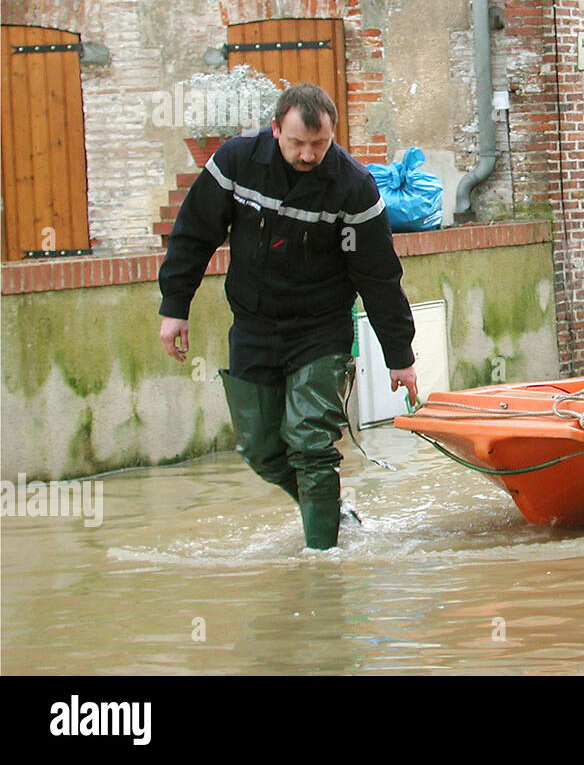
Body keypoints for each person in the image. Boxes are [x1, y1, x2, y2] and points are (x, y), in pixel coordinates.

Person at [158, 83, 419, 549]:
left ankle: (324, 561)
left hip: (320, 329)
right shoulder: (237, 162)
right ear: (275, 128)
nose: (307, 154)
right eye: (297, 142)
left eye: (319, 144)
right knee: (258, 448)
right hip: (254, 323)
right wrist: (175, 306)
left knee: (312, 445)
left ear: (332, 136)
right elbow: (194, 233)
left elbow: (378, 277)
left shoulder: (352, 187)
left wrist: (399, 354)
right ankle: (331, 512)